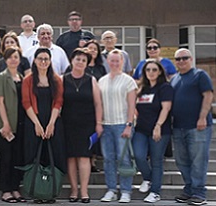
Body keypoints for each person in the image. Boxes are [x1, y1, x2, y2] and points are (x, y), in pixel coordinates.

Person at [22, 48, 66, 204]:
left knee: (53, 155)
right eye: (40, 58)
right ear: (34, 60)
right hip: (34, 122)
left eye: (46, 59)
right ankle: (36, 192)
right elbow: (26, 103)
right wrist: (38, 124)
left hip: (53, 122)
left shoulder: (56, 80)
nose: (43, 62)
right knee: (35, 155)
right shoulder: (28, 80)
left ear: (50, 61)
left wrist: (51, 124)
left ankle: (50, 192)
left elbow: (58, 102)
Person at [171, 48, 213, 206]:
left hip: (198, 126)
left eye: (184, 58)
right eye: (178, 59)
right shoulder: (174, 79)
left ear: (191, 59)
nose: (181, 61)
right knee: (182, 160)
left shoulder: (200, 75)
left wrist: (202, 117)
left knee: (198, 160)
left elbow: (208, 95)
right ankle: (189, 189)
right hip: (178, 127)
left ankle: (199, 192)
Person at [61, 48, 103, 204]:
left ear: (87, 64)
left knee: (84, 157)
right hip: (67, 124)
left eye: (84, 60)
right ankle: (73, 190)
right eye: (77, 59)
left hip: (87, 124)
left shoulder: (91, 80)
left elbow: (98, 104)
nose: (80, 62)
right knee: (71, 158)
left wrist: (99, 123)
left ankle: (84, 191)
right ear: (72, 61)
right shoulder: (62, 79)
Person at [98, 49, 137, 203]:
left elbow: (132, 105)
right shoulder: (102, 81)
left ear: (122, 62)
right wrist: (99, 123)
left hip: (122, 124)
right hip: (106, 125)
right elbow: (99, 104)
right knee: (108, 159)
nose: (114, 63)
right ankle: (111, 189)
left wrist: (129, 125)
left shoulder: (128, 81)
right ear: (108, 61)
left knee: (124, 158)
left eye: (117, 61)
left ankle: (126, 190)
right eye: (112, 60)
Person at [131, 60, 173, 203]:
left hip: (159, 130)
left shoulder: (165, 87)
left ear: (160, 71)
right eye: (148, 70)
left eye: (154, 70)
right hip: (141, 129)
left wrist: (158, 125)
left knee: (156, 160)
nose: (151, 72)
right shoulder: (142, 88)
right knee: (138, 155)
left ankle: (155, 192)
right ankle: (148, 178)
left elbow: (166, 108)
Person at [0, 47, 26, 203]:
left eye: (16, 57)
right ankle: (5, 190)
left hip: (20, 123)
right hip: (5, 124)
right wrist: (5, 124)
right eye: (10, 57)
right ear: (5, 60)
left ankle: (15, 188)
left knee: (17, 158)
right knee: (6, 158)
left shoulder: (22, 77)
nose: (13, 59)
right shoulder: (1, 77)